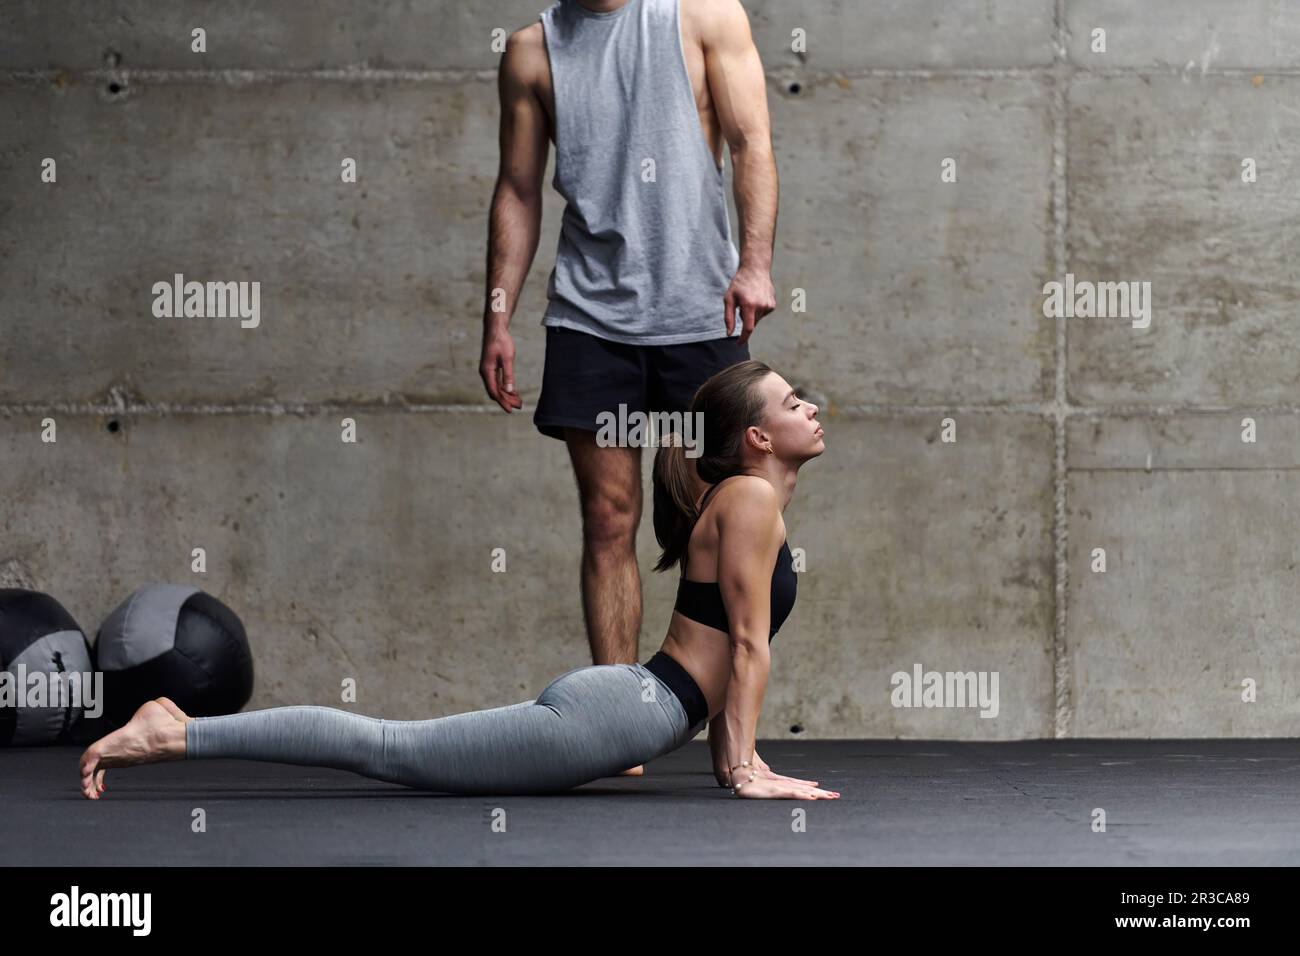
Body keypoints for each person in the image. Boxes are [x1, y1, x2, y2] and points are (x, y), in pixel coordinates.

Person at [78, 362, 837, 801]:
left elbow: (733, 645)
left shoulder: (740, 500)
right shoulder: (751, 499)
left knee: (397, 749)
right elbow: (744, 644)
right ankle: (175, 732)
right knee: (394, 749)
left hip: (635, 706)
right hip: (625, 715)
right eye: (793, 401)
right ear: (759, 438)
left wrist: (733, 765)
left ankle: (179, 730)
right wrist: (742, 772)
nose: (812, 407)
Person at [477, 0, 779, 780]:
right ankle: (617, 733)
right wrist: (498, 316)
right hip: (592, 321)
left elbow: (750, 141)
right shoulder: (531, 51)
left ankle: (731, 735)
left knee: (719, 524)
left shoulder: (704, 16)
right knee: (610, 518)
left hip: (698, 313)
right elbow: (517, 186)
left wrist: (755, 263)